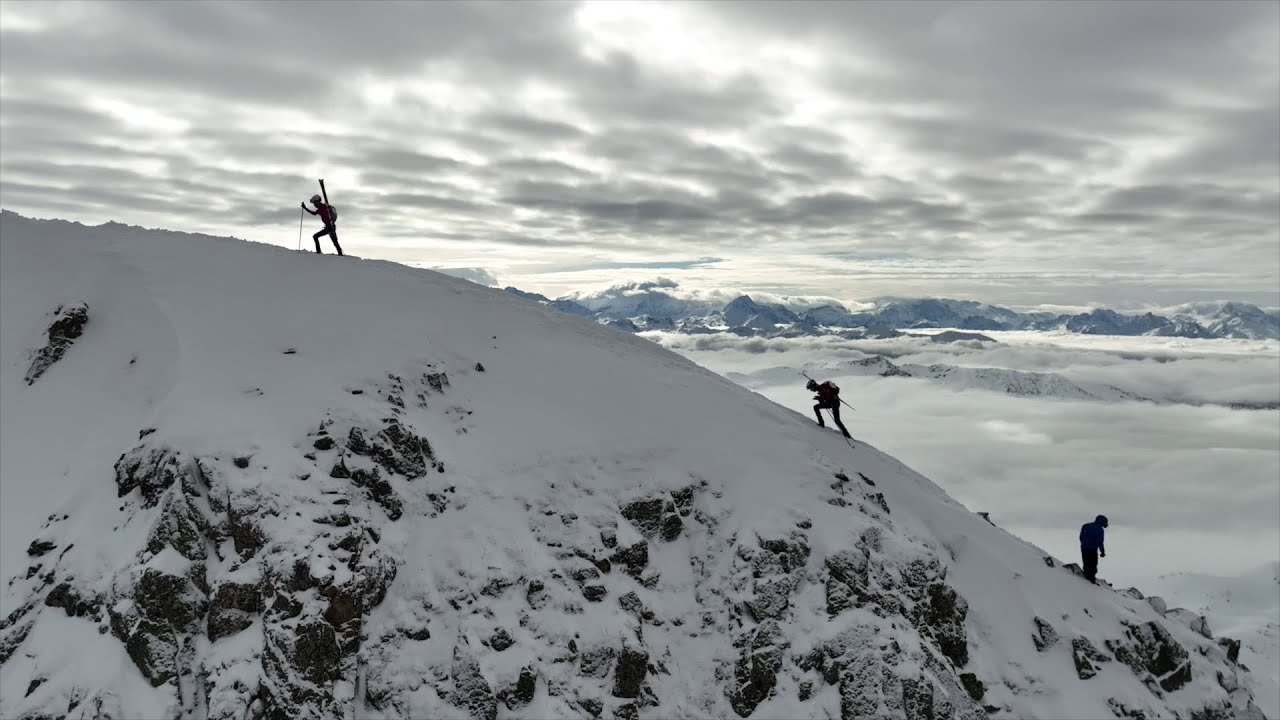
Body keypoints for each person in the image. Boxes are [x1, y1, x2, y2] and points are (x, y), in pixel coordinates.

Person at [1079, 514, 1108, 584]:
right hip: (1092, 549)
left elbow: (1081, 536)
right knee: (1093, 564)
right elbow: (1100, 542)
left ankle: (1086, 575)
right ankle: (1091, 580)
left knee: (1086, 562)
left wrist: (1083, 543)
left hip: (1084, 547)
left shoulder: (1086, 525)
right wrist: (1102, 552)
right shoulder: (1100, 530)